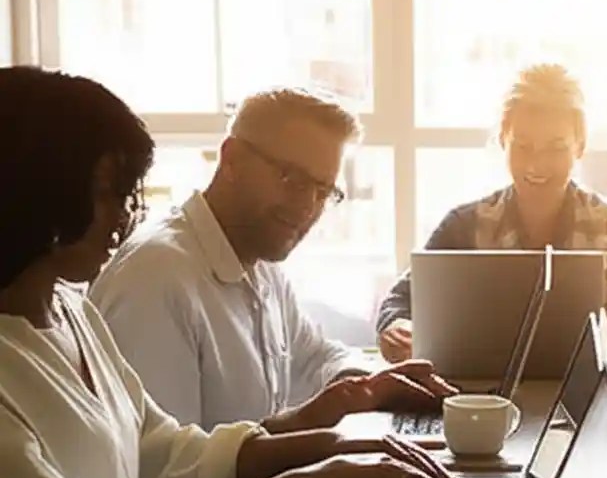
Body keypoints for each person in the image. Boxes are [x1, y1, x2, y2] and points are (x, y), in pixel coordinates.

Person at [0, 66, 464, 478]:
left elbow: (161, 448)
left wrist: (334, 444)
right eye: (109, 192)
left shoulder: (69, 308)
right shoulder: (137, 286)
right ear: (37, 187)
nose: (126, 214)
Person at [89, 87, 456, 435]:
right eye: (293, 179)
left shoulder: (261, 263)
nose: (308, 207)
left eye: (323, 191)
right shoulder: (156, 279)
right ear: (231, 159)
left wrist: (381, 386)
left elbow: (315, 359)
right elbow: (167, 472)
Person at [374, 63, 607, 363]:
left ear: (580, 146)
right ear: (502, 141)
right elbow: (399, 302)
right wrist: (398, 327)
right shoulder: (464, 226)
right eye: (522, 147)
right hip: (486, 401)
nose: (537, 165)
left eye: (556, 148)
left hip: (599, 403)